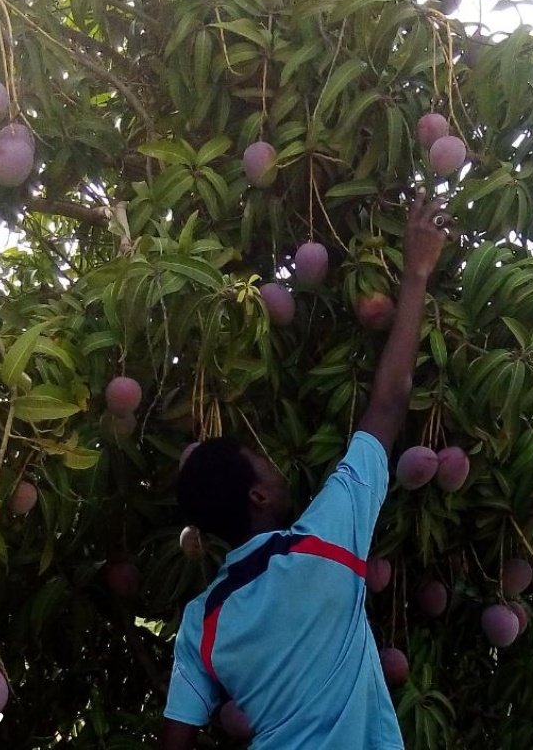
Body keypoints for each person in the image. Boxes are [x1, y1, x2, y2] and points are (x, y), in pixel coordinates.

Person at [159, 189, 451, 750]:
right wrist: (416, 274)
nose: (275, 466)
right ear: (259, 497)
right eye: (263, 465)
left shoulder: (204, 621)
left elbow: (174, 741)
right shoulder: (324, 547)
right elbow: (389, 402)